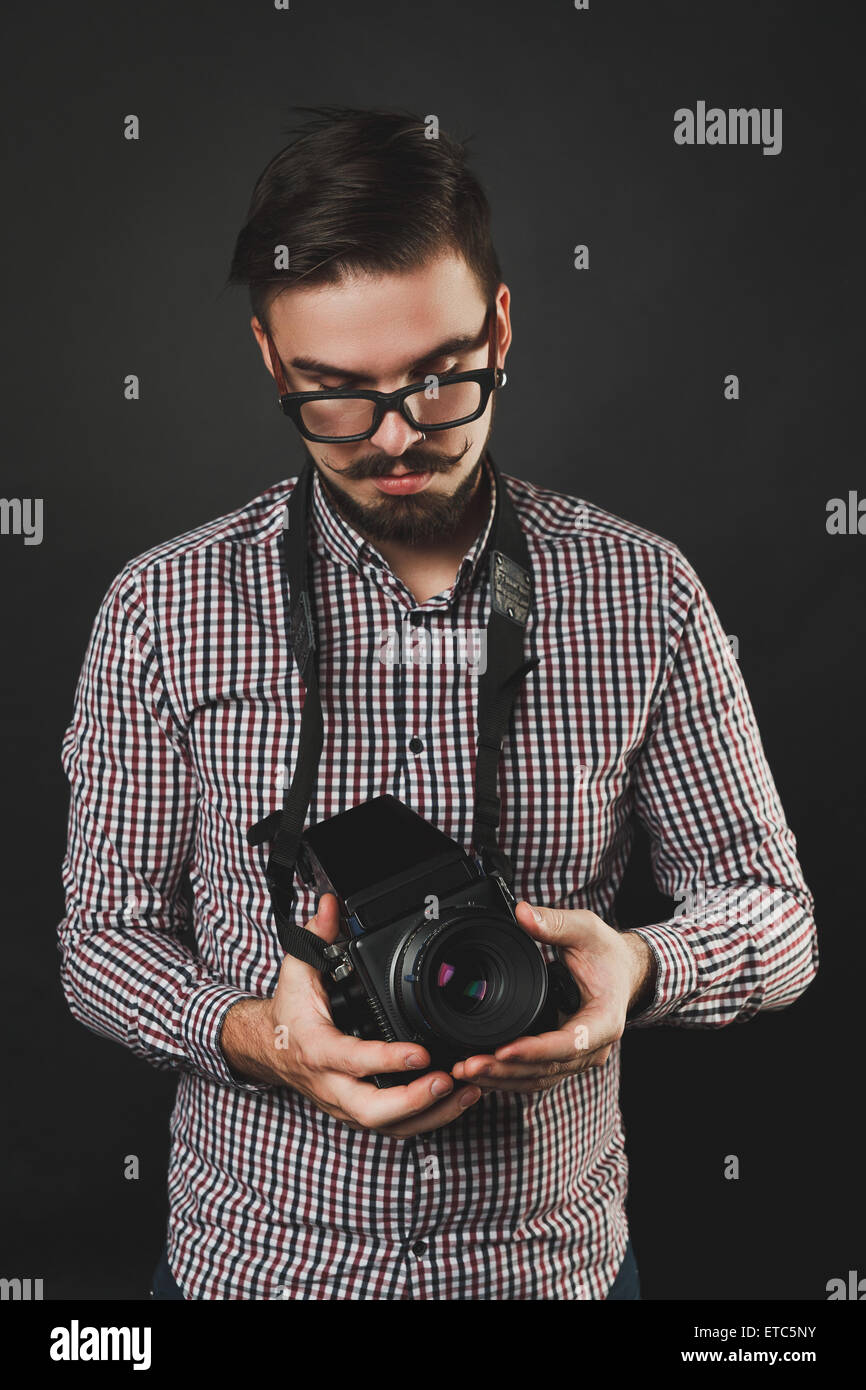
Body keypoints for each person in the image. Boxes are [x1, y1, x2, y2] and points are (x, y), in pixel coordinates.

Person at [57, 107, 818, 1301]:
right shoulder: (164, 604)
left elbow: (775, 916)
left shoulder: (642, 589)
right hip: (255, 1267)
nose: (399, 438)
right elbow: (99, 939)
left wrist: (637, 966)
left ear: (500, 325)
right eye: (335, 395)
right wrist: (263, 1036)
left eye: (440, 379)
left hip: (549, 1272)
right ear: (269, 358)